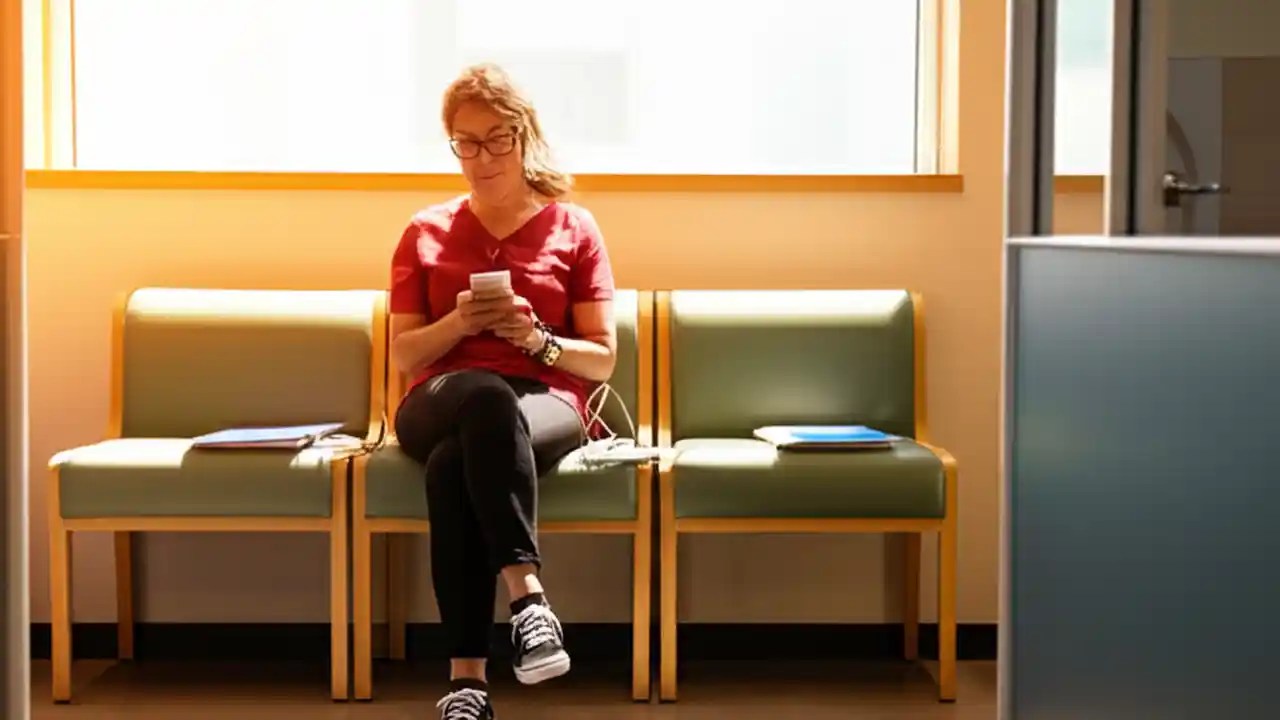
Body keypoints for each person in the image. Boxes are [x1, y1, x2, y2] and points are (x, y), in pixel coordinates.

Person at [387, 63, 618, 720]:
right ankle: (529, 599)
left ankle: (467, 686)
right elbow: (403, 354)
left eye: (497, 139)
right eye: (467, 142)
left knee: (453, 464)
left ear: (524, 136)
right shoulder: (424, 231)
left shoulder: (574, 228)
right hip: (440, 396)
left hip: (544, 399)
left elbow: (601, 360)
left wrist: (537, 340)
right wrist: (458, 324)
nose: (482, 158)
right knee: (484, 398)